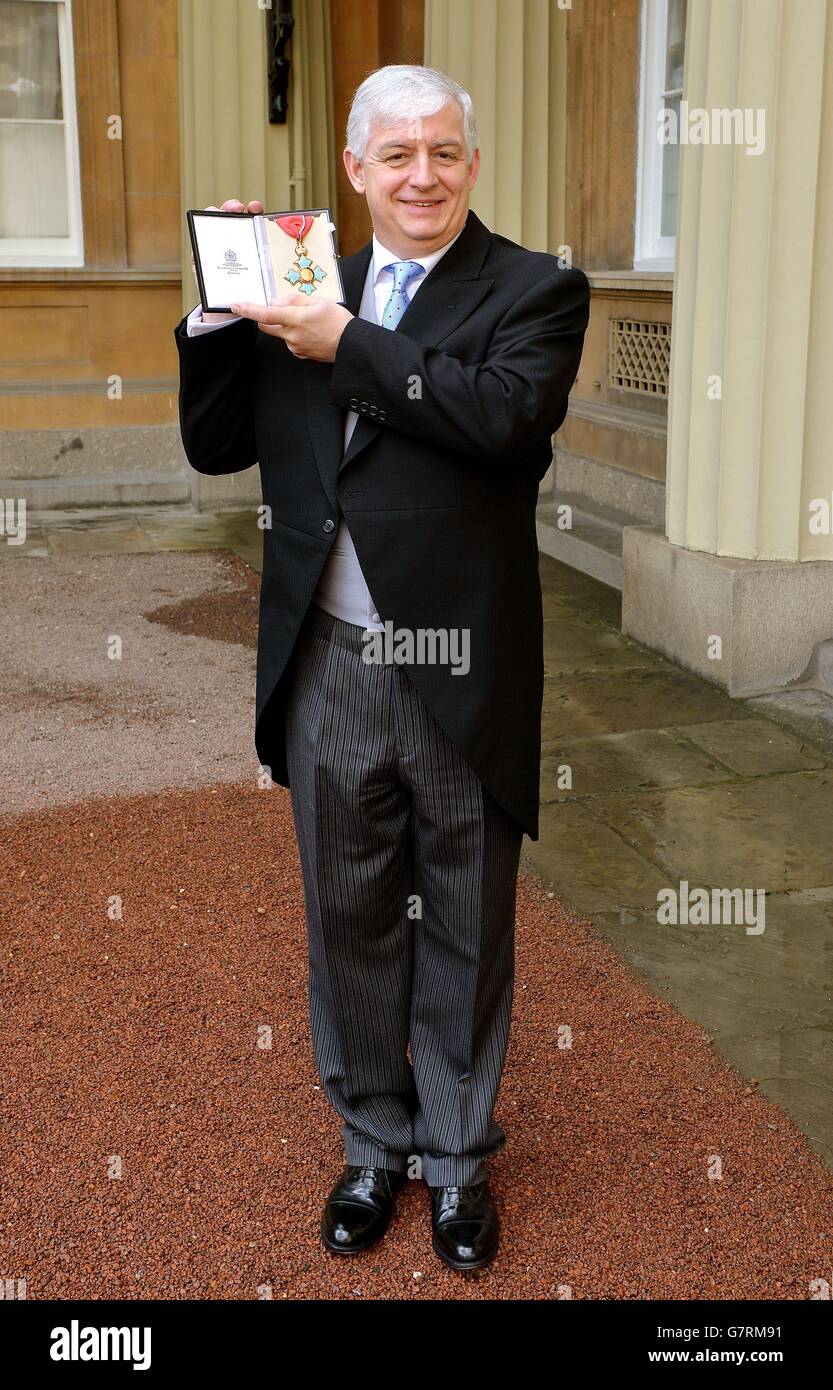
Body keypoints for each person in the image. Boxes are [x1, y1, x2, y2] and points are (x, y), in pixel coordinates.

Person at [175, 64, 589, 1272]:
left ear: (470, 163)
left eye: (445, 151)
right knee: (349, 918)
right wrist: (220, 309)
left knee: (463, 918)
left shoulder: (533, 288)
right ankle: (372, 1142)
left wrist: (347, 343)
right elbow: (212, 447)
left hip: (460, 663)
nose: (423, 174)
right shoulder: (298, 277)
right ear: (353, 170)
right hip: (329, 661)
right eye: (396, 154)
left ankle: (456, 1163)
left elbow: (500, 422)